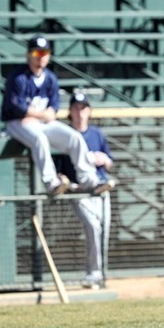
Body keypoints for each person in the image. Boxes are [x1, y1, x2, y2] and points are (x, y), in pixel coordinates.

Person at [2, 35, 114, 197]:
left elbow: (52, 109)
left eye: (44, 53)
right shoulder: (19, 77)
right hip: (17, 123)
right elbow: (18, 109)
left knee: (74, 137)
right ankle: (51, 183)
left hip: (40, 122)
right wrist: (41, 114)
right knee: (39, 139)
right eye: (36, 53)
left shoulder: (50, 78)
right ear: (28, 55)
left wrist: (37, 114)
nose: (41, 57)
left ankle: (89, 180)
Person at [52, 92, 113, 289]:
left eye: (83, 108)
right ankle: (93, 273)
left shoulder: (96, 133)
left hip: (101, 189)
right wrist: (63, 179)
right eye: (76, 108)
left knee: (103, 230)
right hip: (79, 191)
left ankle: (100, 274)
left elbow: (110, 162)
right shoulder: (65, 135)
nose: (80, 112)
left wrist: (104, 159)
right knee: (93, 227)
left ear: (89, 111)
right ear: (70, 111)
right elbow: (58, 170)